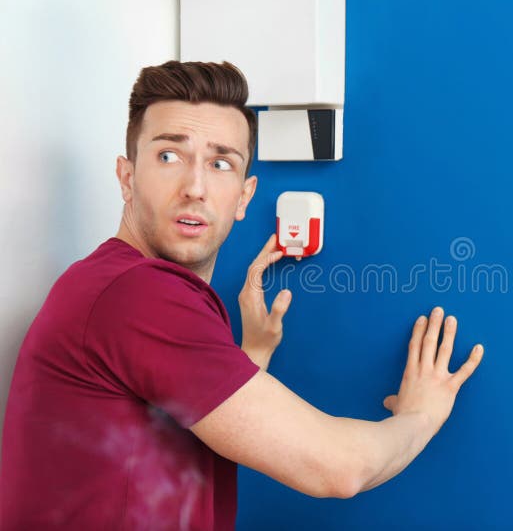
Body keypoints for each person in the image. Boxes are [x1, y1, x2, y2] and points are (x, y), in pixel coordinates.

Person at [0, 60, 484, 530]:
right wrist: (422, 415)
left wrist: (248, 355)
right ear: (127, 177)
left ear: (245, 196)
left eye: (220, 163)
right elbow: (338, 469)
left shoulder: (107, 282)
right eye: (169, 156)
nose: (195, 187)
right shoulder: (137, 295)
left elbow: (181, 431)